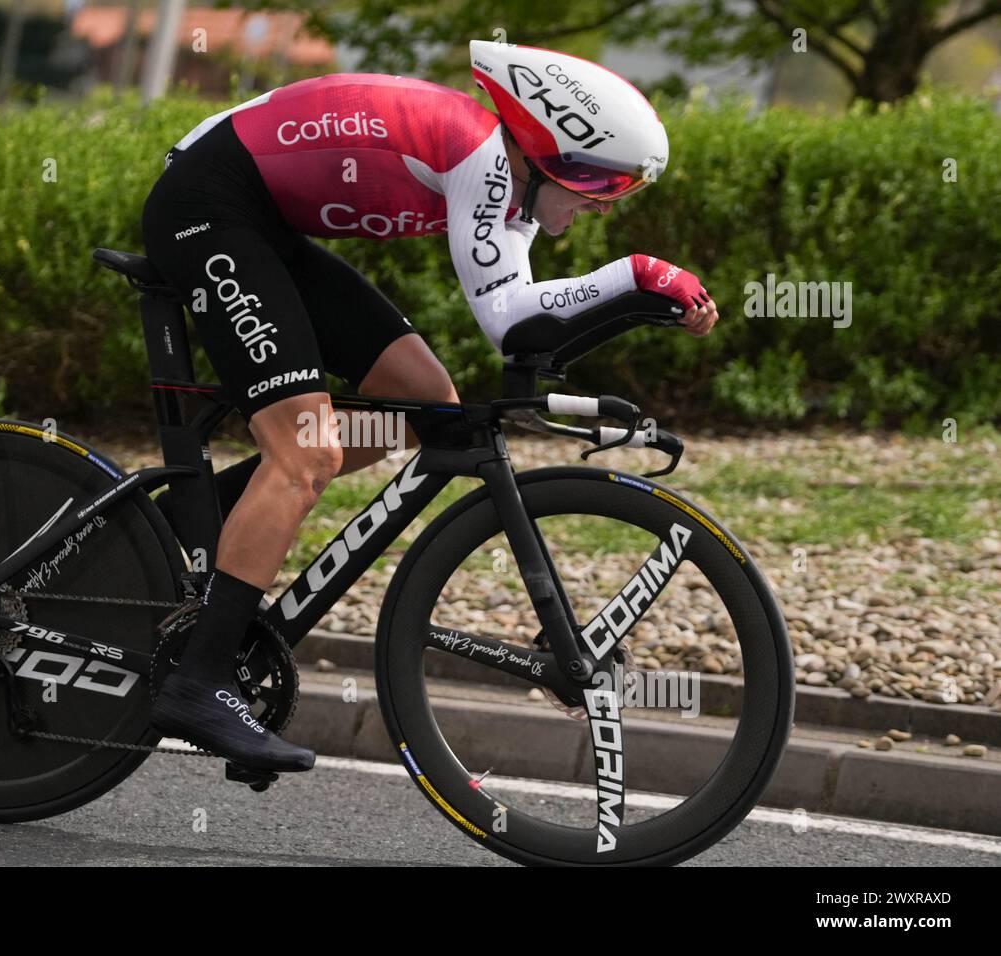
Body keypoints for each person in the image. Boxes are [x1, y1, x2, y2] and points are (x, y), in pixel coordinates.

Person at [143, 40, 720, 773]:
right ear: (553, 156)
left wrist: (642, 304)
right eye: (594, 189)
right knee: (309, 450)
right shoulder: (480, 154)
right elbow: (510, 320)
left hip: (257, 222)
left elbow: (531, 332)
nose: (591, 209)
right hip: (208, 206)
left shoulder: (510, 186)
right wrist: (636, 277)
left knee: (427, 408)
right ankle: (199, 680)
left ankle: (178, 530)